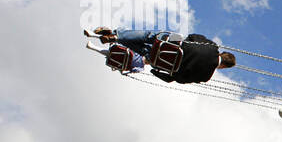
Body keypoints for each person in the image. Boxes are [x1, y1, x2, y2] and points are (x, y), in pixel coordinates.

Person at [91, 28, 237, 85]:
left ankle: (117, 36)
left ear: (222, 54)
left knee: (150, 36)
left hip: (165, 46)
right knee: (143, 53)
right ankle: (118, 41)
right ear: (223, 67)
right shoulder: (205, 76)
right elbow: (181, 80)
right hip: (160, 63)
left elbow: (192, 37)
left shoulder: (212, 47)